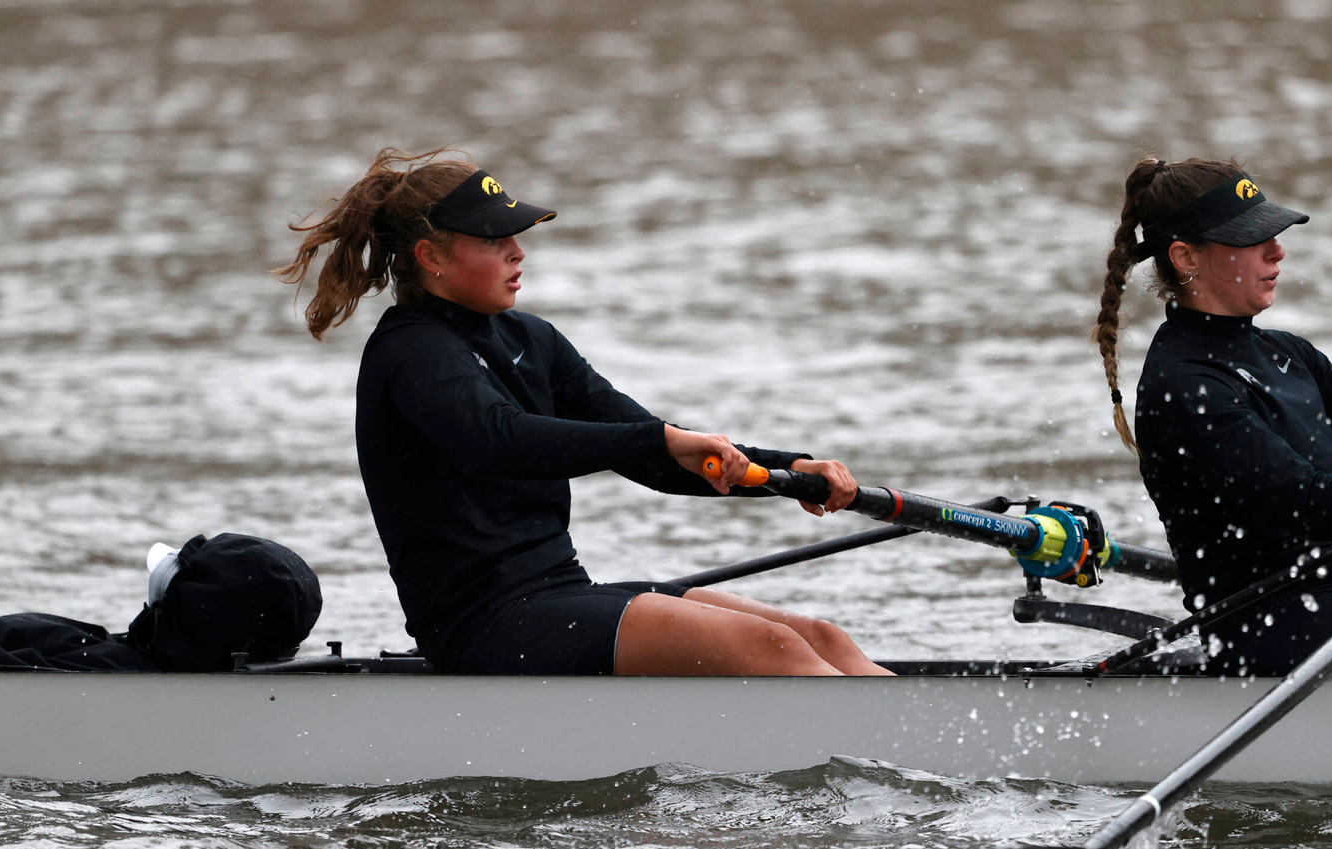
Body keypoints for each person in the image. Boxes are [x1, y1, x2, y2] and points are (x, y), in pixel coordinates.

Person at [275, 148, 890, 677]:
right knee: (772, 647)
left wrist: (792, 469)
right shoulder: (410, 352)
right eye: (493, 239)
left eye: (515, 236)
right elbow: (504, 439)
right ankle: (893, 758)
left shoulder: (532, 339)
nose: (518, 252)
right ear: (431, 256)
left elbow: (654, 453)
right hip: (482, 622)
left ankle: (919, 753)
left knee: (821, 637)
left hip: (562, 594)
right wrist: (660, 439)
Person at [1090, 156, 1332, 673]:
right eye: (1249, 238)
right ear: (1185, 257)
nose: (1276, 250)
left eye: (1272, 233)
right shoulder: (1185, 385)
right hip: (1267, 631)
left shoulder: (1289, 354)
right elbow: (1307, 504)